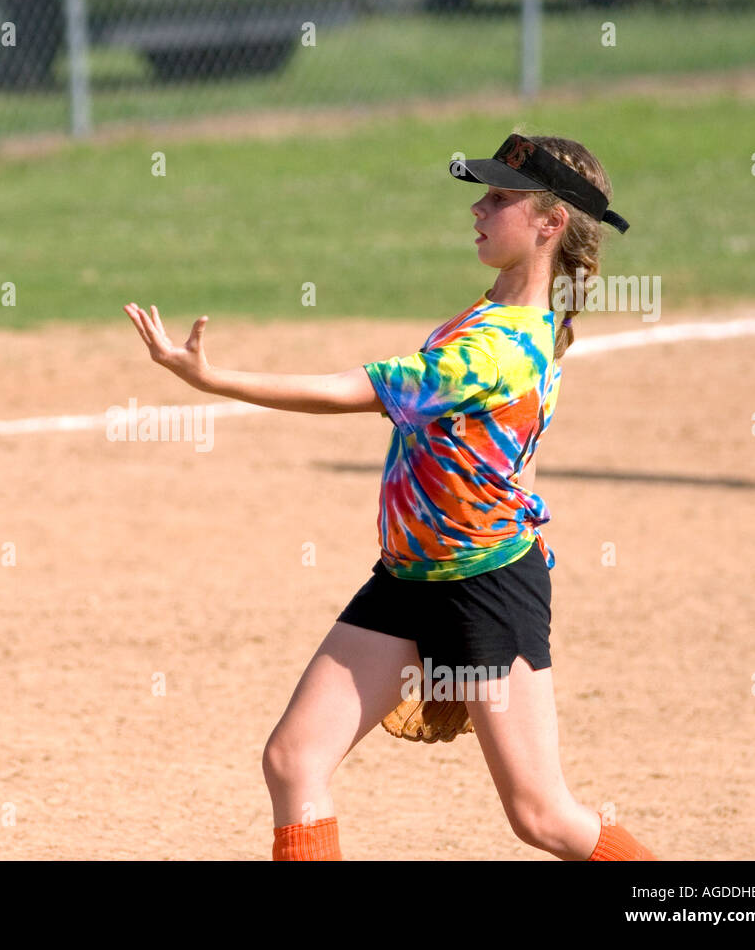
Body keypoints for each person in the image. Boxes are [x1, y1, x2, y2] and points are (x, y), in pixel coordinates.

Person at [122, 132, 657, 861]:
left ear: (549, 223)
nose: (478, 207)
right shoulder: (503, 314)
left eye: (500, 197)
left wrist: (213, 381)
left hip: (484, 590)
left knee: (540, 816)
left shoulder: (497, 345)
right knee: (293, 760)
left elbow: (354, 390)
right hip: (410, 577)